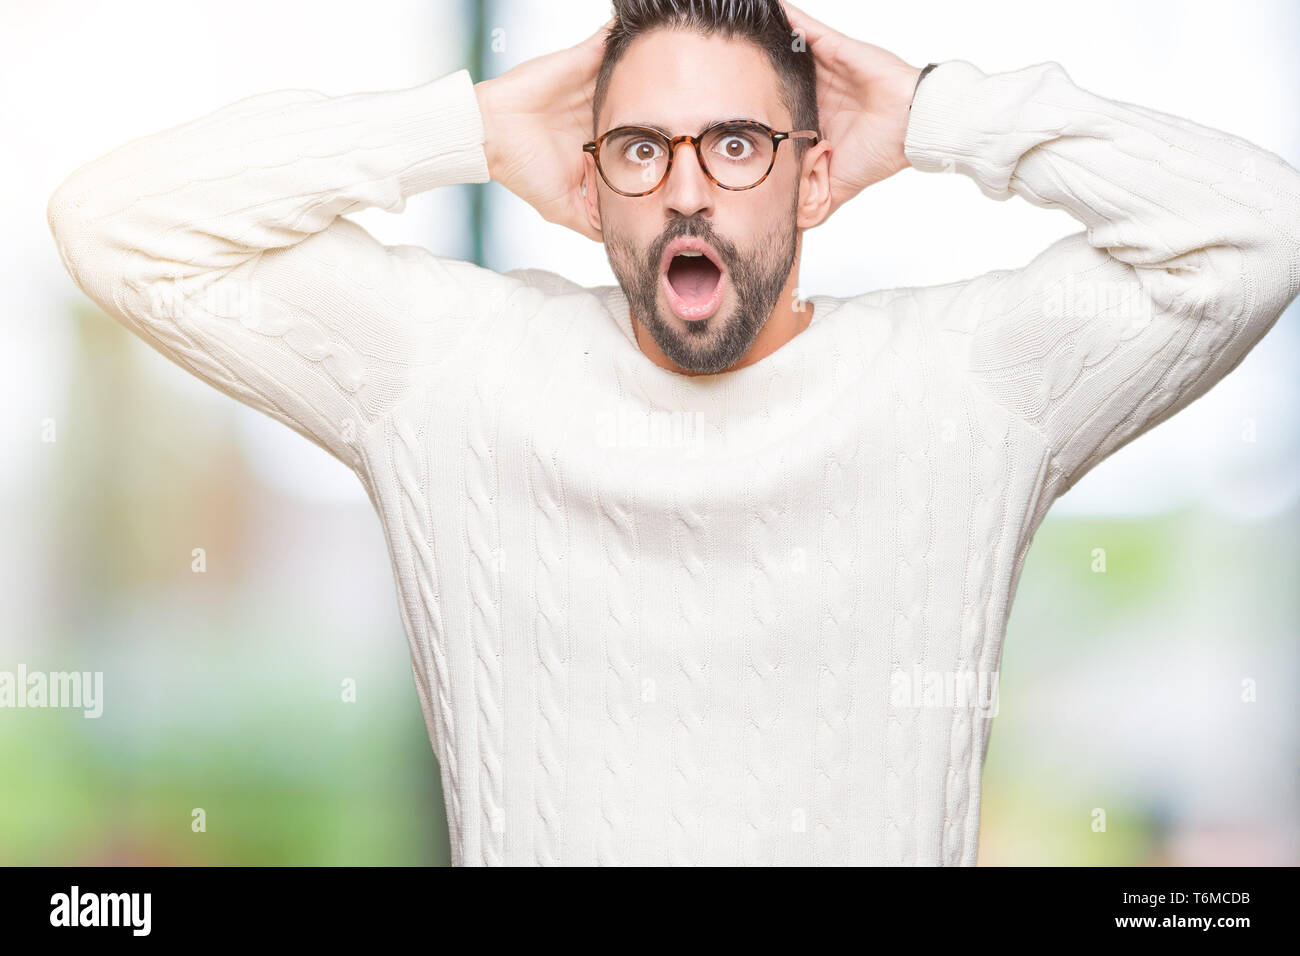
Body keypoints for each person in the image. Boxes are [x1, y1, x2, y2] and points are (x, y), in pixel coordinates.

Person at [45, 0, 1300, 866]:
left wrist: (934, 114)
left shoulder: (962, 386)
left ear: (815, 175)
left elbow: (1259, 230)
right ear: (587, 185)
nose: (690, 186)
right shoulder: (454, 369)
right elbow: (114, 223)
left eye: (738, 144)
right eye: (643, 147)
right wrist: (465, 128)